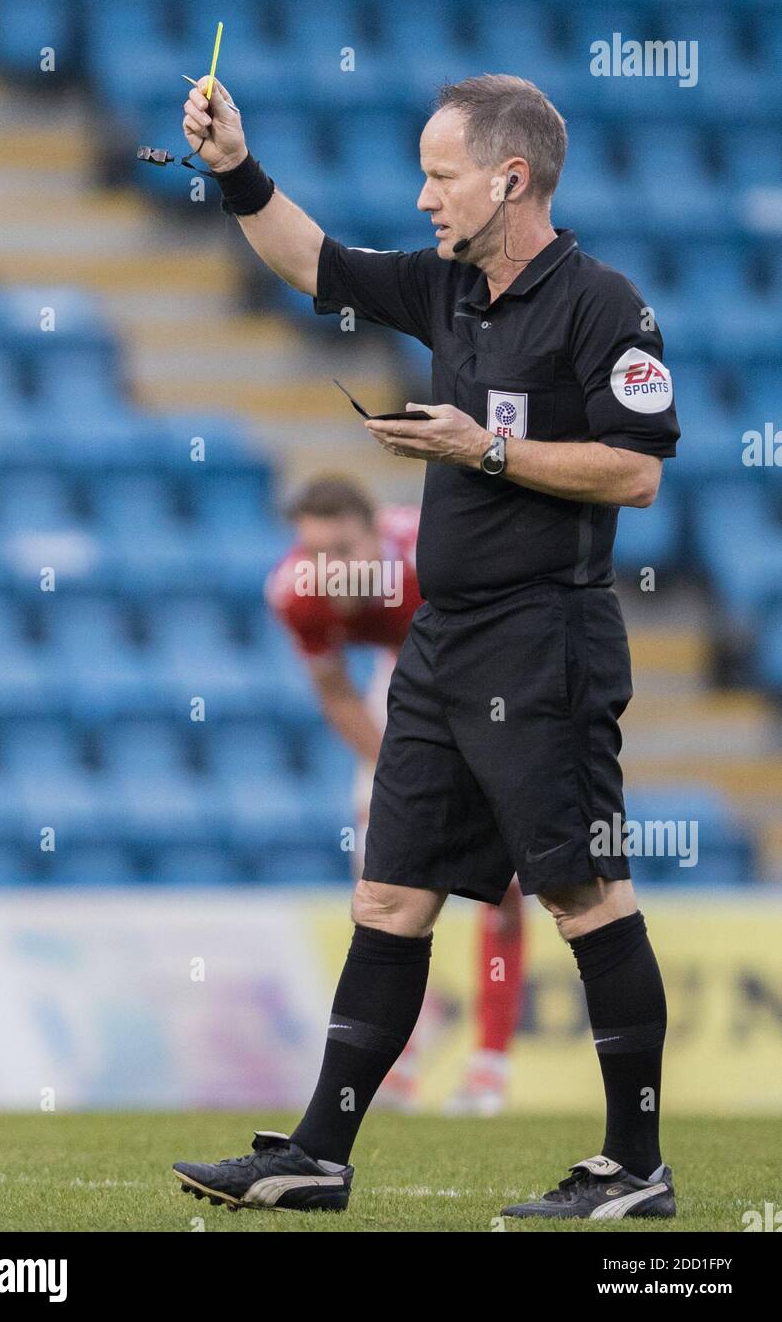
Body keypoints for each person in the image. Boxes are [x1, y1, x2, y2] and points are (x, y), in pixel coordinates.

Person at [172, 71, 680, 1219]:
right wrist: (232, 166)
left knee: (584, 895)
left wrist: (481, 450)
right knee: (388, 901)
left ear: (508, 180)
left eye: (438, 175)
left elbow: (638, 470)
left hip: (545, 640)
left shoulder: (602, 303)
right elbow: (313, 260)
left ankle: (633, 1168)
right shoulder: (449, 291)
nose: (420, 197)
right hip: (443, 650)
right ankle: (317, 1154)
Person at [266, 474, 525, 1114]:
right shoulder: (296, 594)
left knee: (508, 882)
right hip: (405, 670)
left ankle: (489, 1066)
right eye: (314, 554)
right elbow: (336, 695)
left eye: (344, 551)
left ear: (378, 533)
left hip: (489, 667)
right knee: (382, 881)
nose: (330, 570)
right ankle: (406, 1044)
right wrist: (399, 773)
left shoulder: (433, 555)